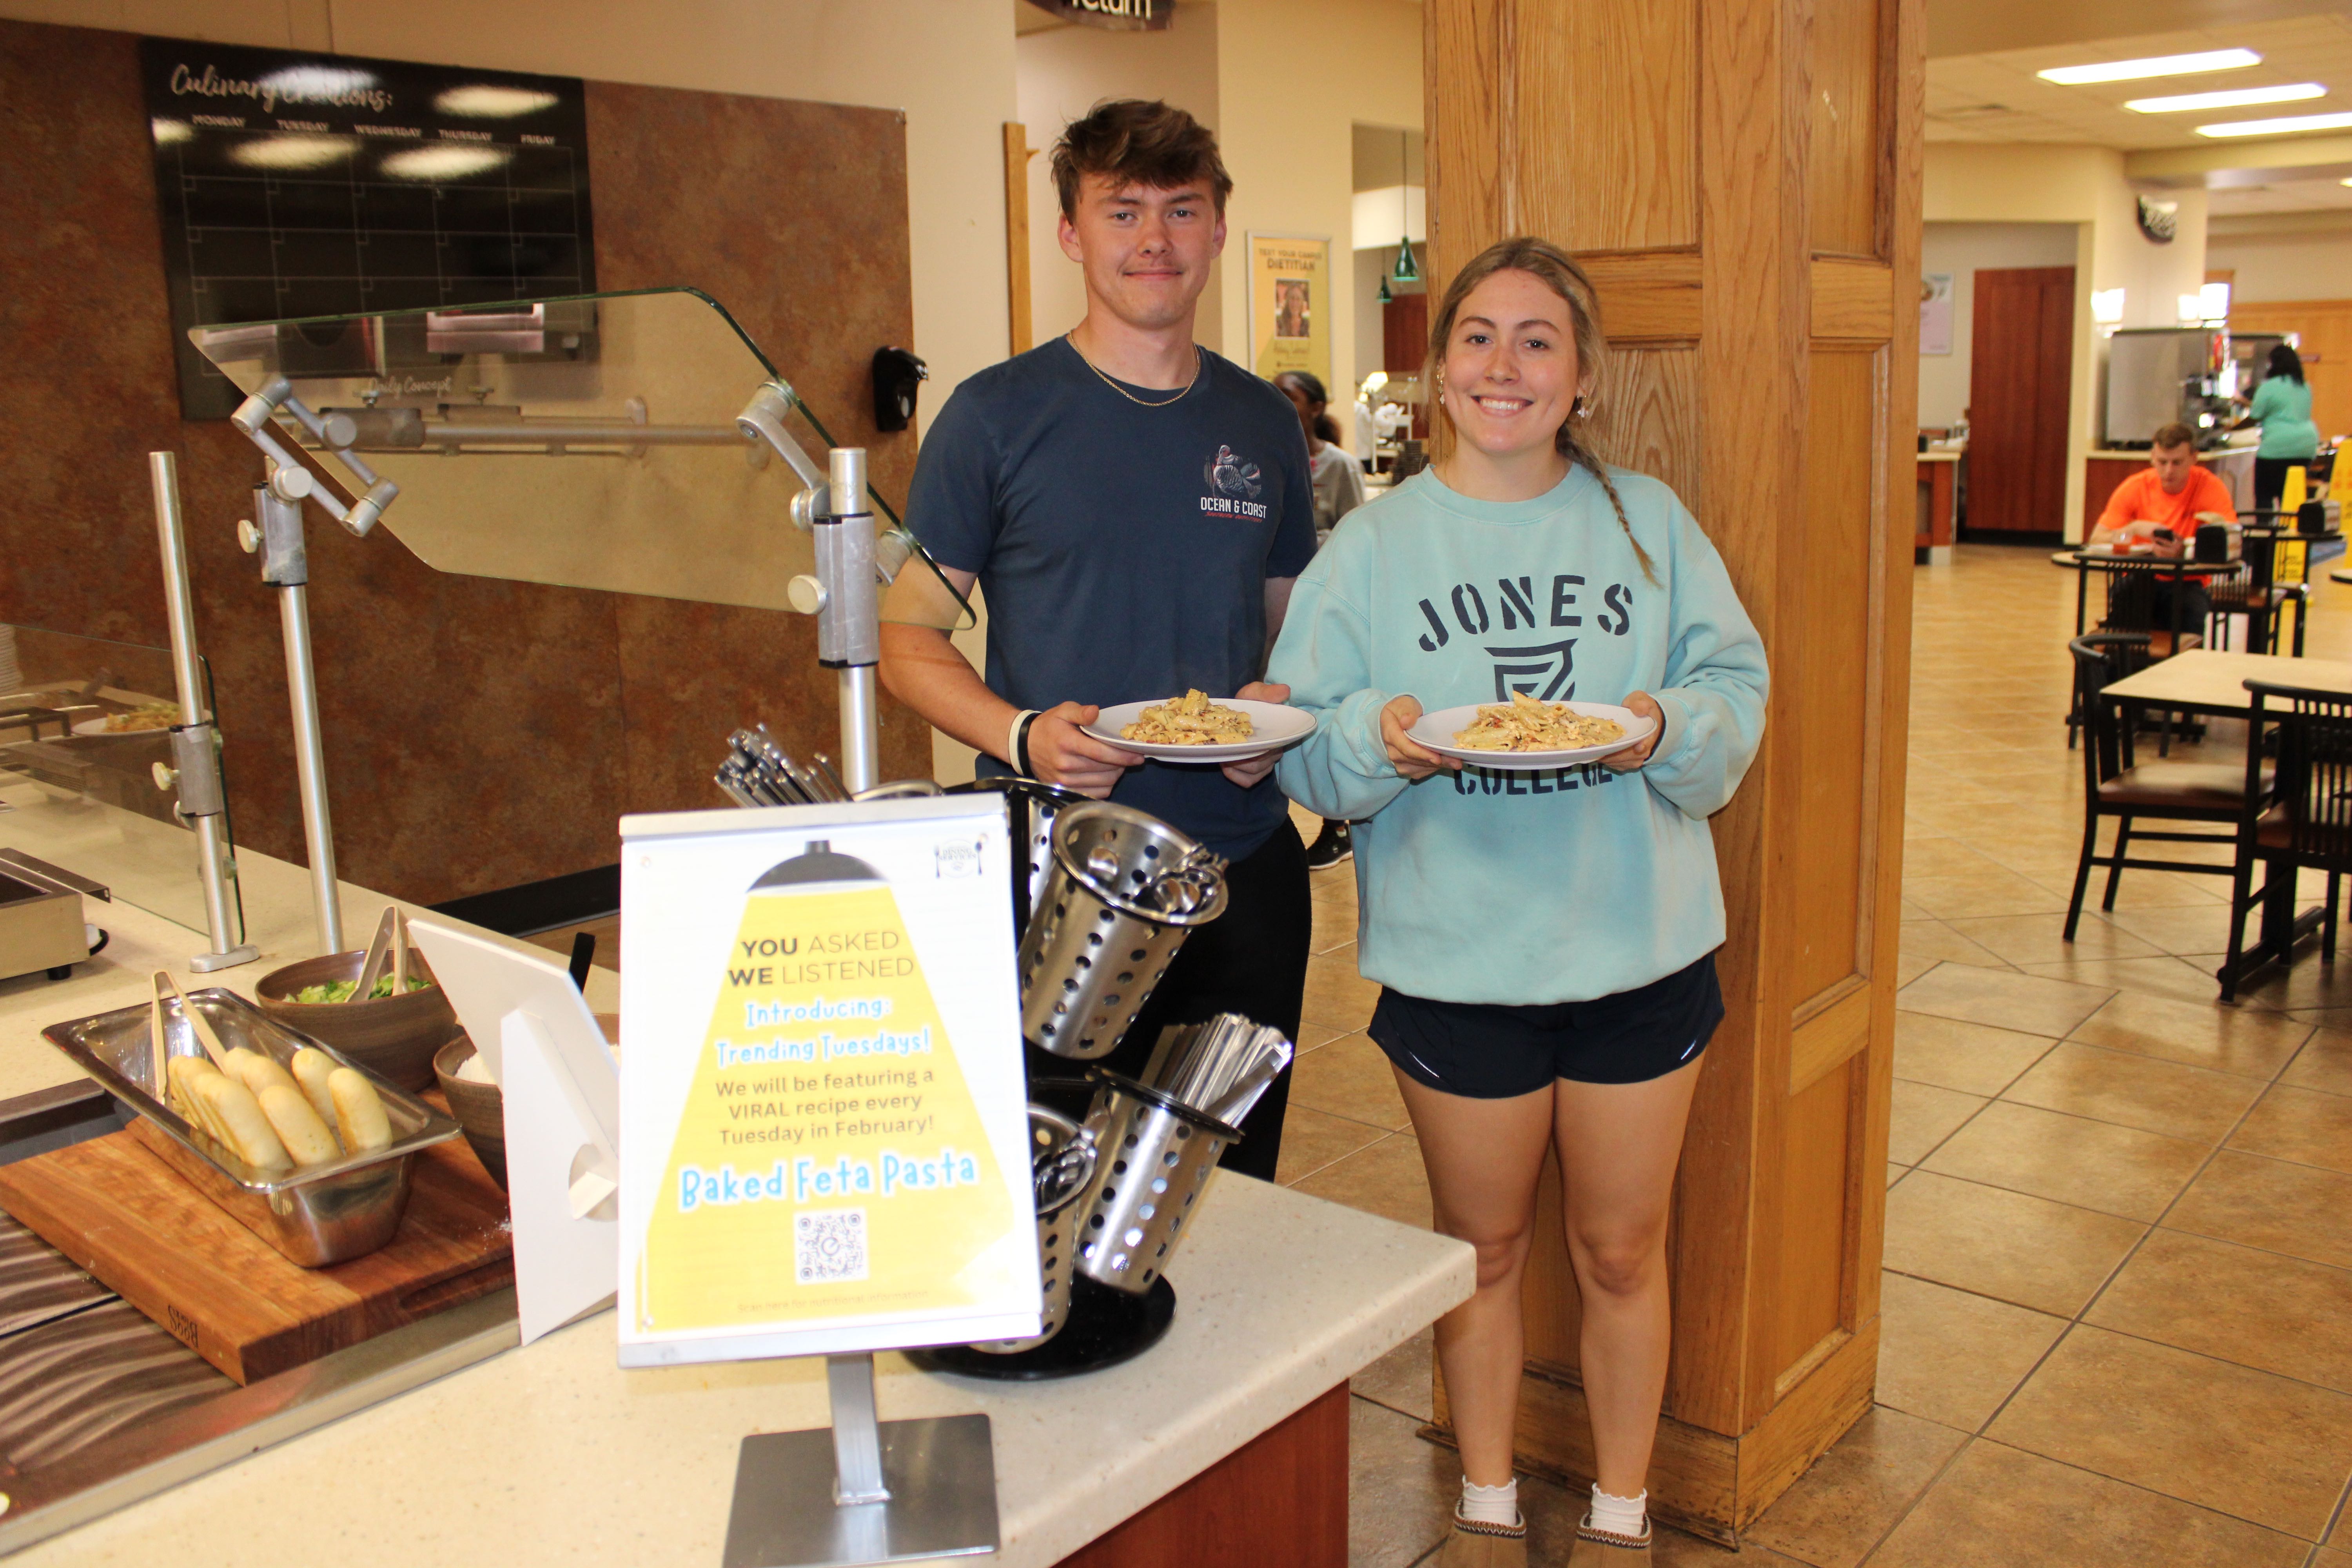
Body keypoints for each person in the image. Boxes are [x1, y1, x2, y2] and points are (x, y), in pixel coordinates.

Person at [1270, 237, 1768, 1566]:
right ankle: (1487, 1506)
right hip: (1457, 961)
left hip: (1638, 952)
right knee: (1479, 1251)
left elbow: (1737, 702)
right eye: (1478, 337)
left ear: (1582, 378)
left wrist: (1663, 720)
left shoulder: (1650, 524)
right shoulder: (1367, 554)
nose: (1505, 365)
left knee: (1622, 1251)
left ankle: (1619, 1515)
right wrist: (1386, 740)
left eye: (1538, 340)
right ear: (1437, 372)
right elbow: (1310, 757)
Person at [879, 99, 1315, 1181]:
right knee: (1056, 1178)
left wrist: (1277, 710)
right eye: (1122, 212)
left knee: (1232, 1185)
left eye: (1182, 209)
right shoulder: (992, 417)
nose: (1154, 240)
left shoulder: (1265, 423)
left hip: (1243, 862)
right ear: (1072, 233)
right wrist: (1021, 735)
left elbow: (1290, 632)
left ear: (1218, 229)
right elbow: (907, 637)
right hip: (1058, 872)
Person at [1274, 368, 1371, 869]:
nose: (1281, 405)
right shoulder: (1269, 461)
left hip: (1326, 590)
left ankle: (1339, 827)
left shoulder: (1340, 466)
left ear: (1314, 406)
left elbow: (1355, 530)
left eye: (1290, 398)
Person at [2088, 422, 2237, 643]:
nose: (2168, 471)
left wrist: (2184, 552)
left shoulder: (2210, 487)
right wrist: (2135, 529)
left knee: (2189, 608)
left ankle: (2182, 669)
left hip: (2188, 578)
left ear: (2194, 459)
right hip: (2141, 576)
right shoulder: (2135, 486)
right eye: (2162, 462)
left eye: (2177, 463)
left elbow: (2230, 541)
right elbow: (2097, 539)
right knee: (2125, 596)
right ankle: (2124, 665)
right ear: (2152, 458)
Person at [2236, 343, 2321, 515]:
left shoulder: (2269, 387)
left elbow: (2255, 417)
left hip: (2276, 449)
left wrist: (2231, 429)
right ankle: (2290, 534)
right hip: (2306, 447)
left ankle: (2266, 535)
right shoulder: (2305, 386)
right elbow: (2282, 409)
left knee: (2264, 496)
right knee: (2290, 496)